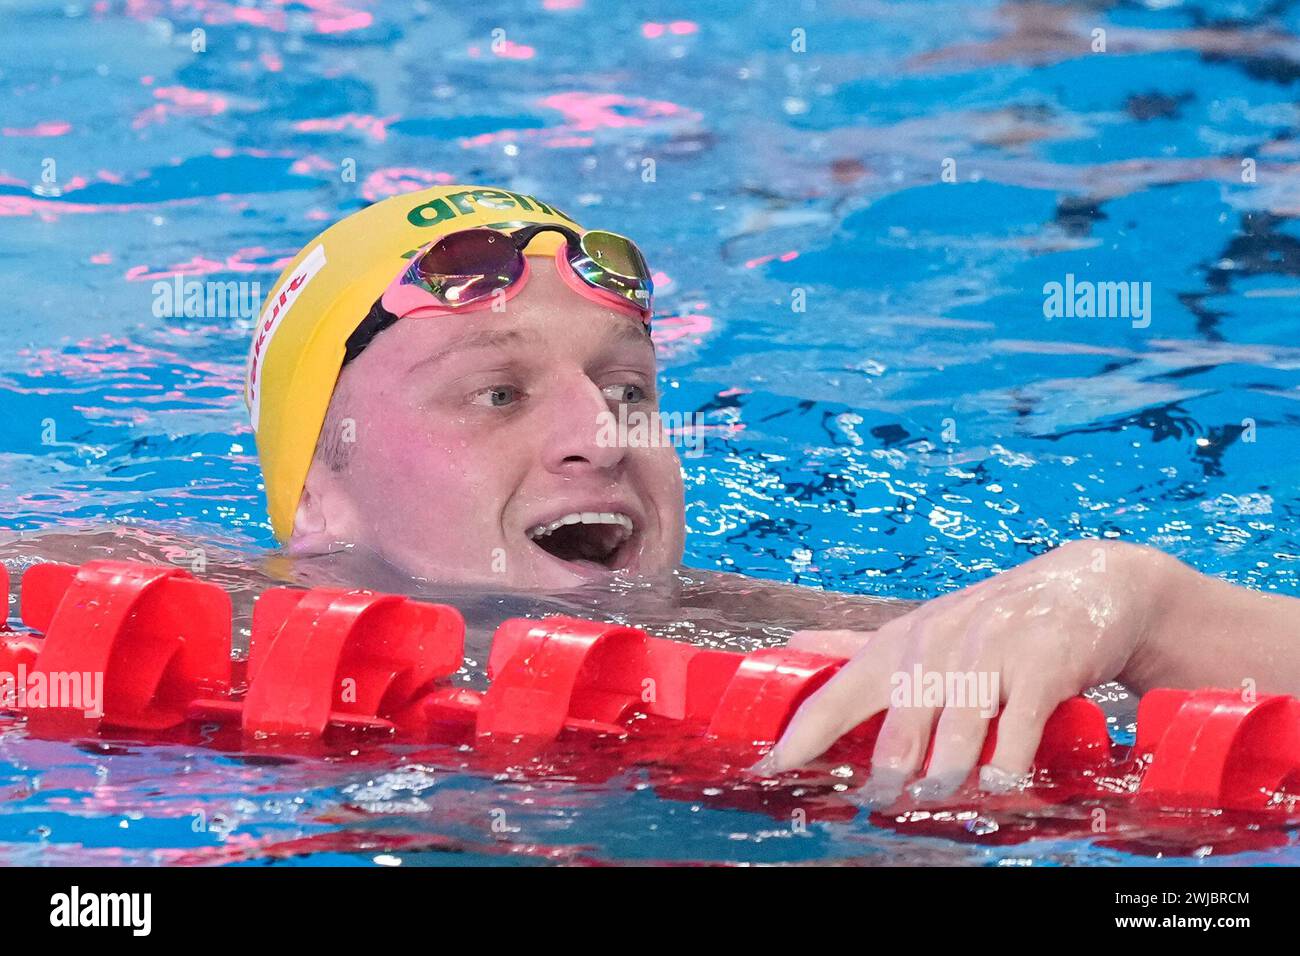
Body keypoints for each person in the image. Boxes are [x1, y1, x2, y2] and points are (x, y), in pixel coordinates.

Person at [16, 184, 1300, 804]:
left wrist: (1138, 598)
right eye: (498, 394)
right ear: (322, 490)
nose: (602, 434)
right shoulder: (142, 612)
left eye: (626, 385)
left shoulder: (761, 640)